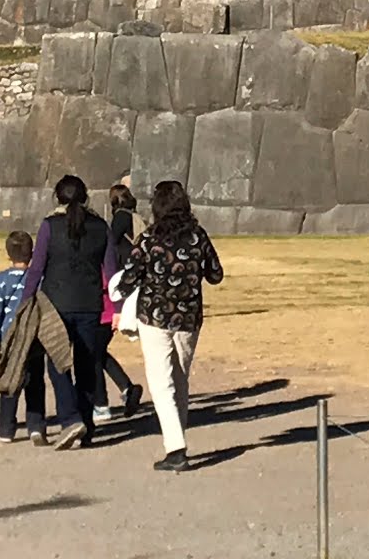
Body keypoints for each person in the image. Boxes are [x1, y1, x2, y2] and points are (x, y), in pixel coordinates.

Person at [114, 180, 223, 472]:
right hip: (188, 318)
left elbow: (129, 280)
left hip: (154, 315)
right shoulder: (198, 237)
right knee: (180, 378)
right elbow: (215, 275)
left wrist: (118, 290)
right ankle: (178, 435)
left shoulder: (149, 239)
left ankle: (175, 447)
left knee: (162, 382)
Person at [22, 175, 119, 451]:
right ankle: (86, 426)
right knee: (87, 367)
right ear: (86, 196)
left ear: (57, 197)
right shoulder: (101, 227)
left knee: (59, 366)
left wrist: (25, 301)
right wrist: (119, 308)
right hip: (91, 304)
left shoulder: (49, 226)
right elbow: (111, 271)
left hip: (56, 305)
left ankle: (70, 419)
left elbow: (37, 268)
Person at [92, 184, 142, 425]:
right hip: (127, 282)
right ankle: (126, 388)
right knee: (98, 351)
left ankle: (102, 404)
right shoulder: (136, 216)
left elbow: (109, 245)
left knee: (94, 351)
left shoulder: (120, 218)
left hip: (117, 285)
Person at [0, 230, 34, 442]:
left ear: (8, 254)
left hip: (9, 336)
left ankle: (6, 428)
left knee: (9, 380)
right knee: (34, 382)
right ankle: (36, 425)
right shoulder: (37, 277)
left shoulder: (1, 280)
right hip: (33, 334)